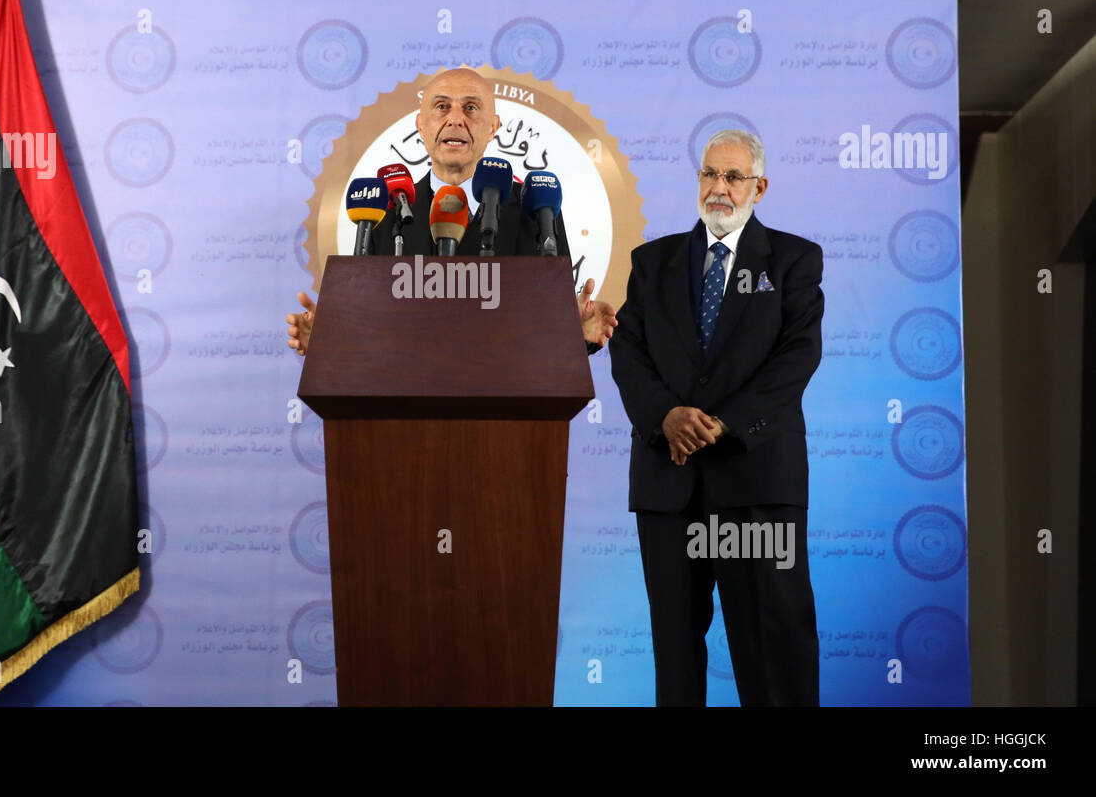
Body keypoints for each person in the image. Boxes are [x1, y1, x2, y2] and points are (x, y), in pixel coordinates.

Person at [608, 129, 824, 706]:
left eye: (733, 177)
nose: (719, 188)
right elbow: (628, 351)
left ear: (760, 186)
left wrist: (723, 423)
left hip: (756, 481)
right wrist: (666, 416)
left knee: (774, 650)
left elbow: (797, 356)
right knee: (675, 657)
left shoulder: (793, 259)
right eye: (710, 174)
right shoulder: (652, 262)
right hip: (669, 484)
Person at [286, 66, 617, 353]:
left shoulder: (535, 209)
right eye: (441, 107)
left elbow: (554, 325)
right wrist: (331, 340)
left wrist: (578, 333)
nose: (455, 119)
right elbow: (368, 324)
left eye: (471, 108)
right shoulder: (384, 210)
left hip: (505, 407)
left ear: (493, 126)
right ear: (421, 124)